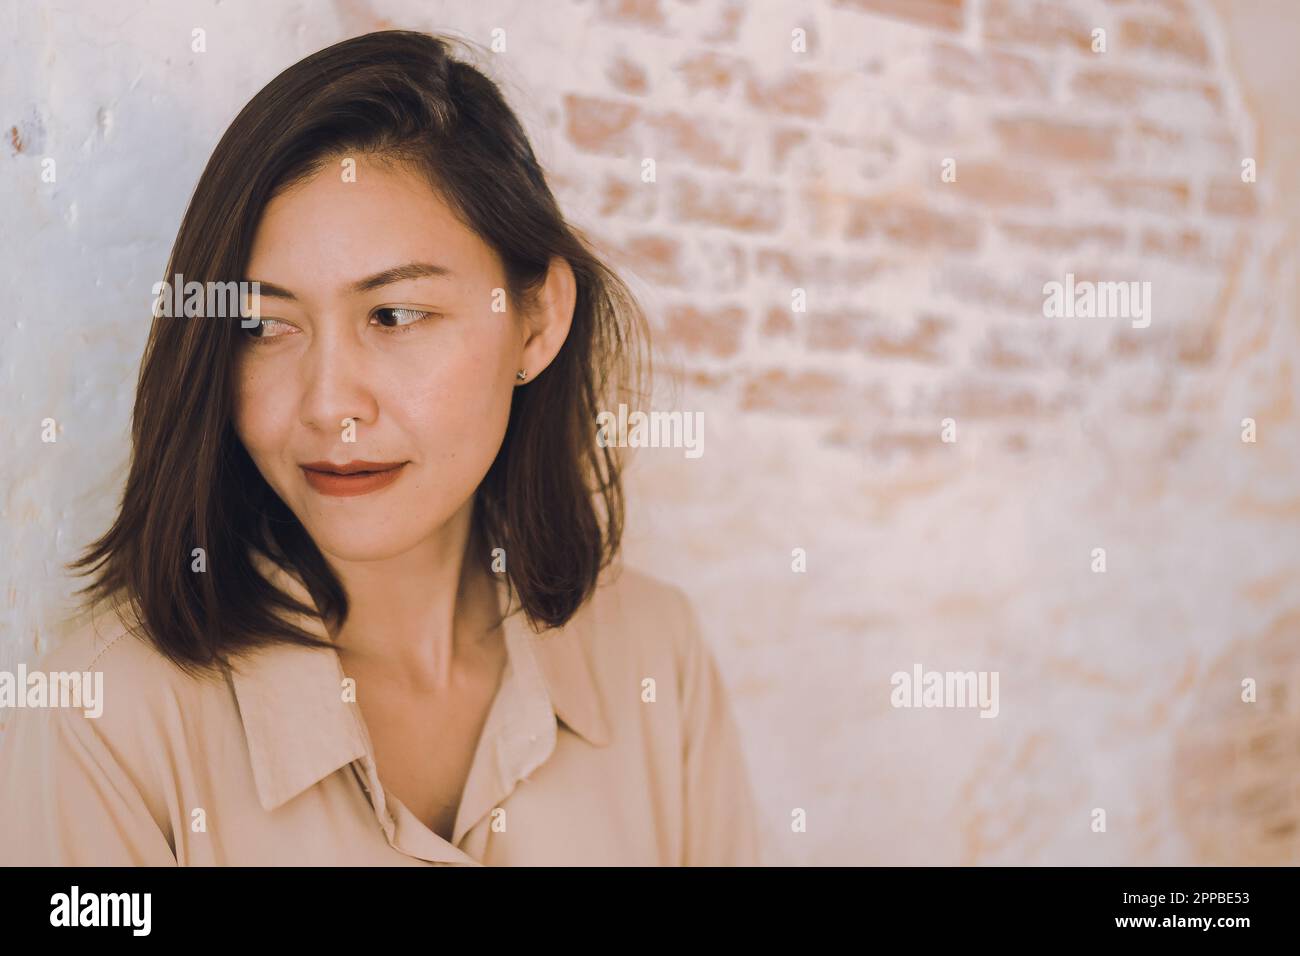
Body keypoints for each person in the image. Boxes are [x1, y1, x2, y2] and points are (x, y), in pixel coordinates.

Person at [0, 30, 760, 866]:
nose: (329, 406)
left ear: (536, 321)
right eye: (264, 324)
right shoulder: (103, 722)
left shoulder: (658, 654)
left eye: (395, 316)